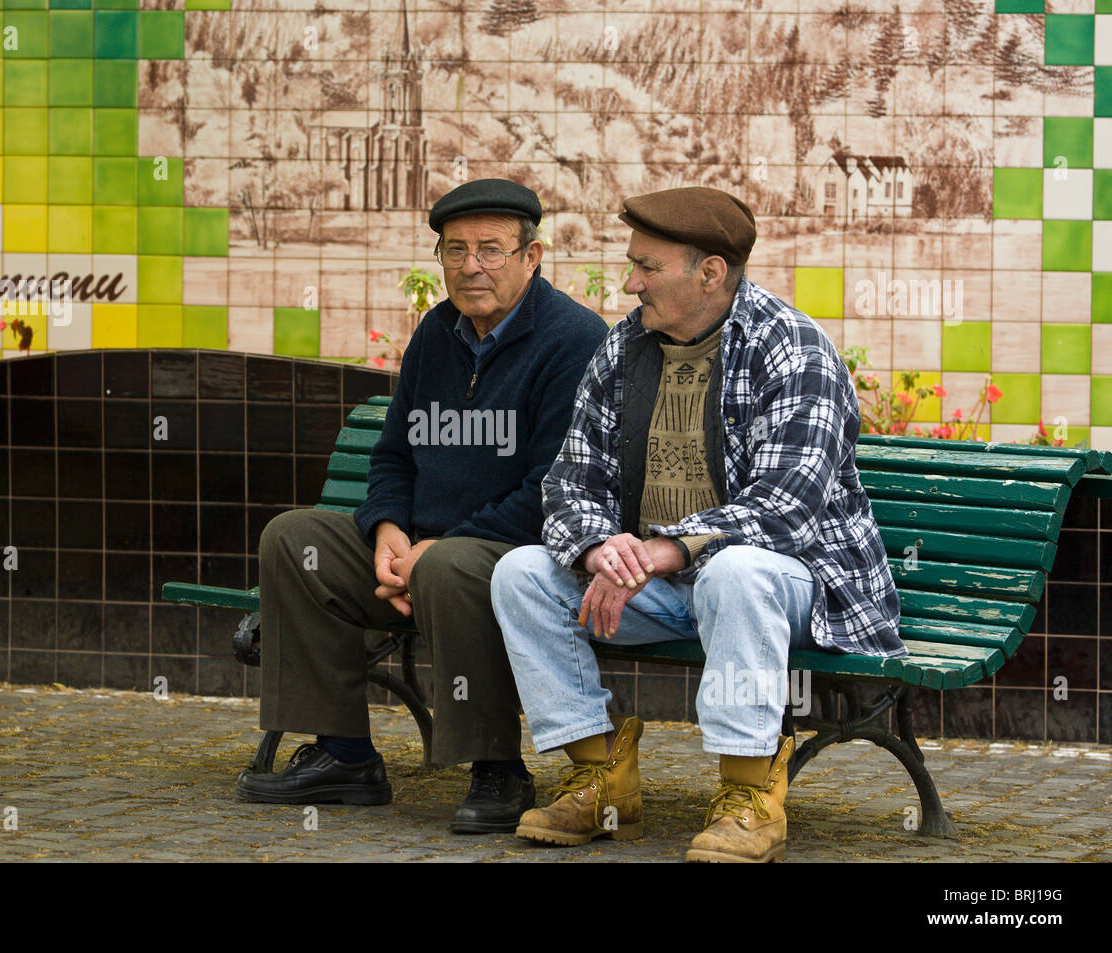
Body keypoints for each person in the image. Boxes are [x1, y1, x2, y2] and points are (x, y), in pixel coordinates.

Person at [490, 186, 905, 861]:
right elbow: (570, 478)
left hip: (794, 586)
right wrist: (603, 548)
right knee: (522, 573)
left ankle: (750, 794)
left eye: (647, 267)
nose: (631, 282)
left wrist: (664, 549)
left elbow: (786, 506)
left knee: (735, 572)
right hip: (661, 582)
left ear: (710, 272)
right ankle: (598, 772)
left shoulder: (793, 347)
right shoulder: (626, 348)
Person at [239, 178, 608, 834]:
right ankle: (344, 753)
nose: (471, 267)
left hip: (520, 557)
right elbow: (394, 457)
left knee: (450, 567)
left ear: (534, 256)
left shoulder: (574, 340)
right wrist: (386, 532)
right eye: (455, 250)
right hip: (421, 553)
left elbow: (556, 488)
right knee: (296, 539)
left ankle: (497, 766)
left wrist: (435, 548)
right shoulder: (438, 334)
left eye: (491, 250)